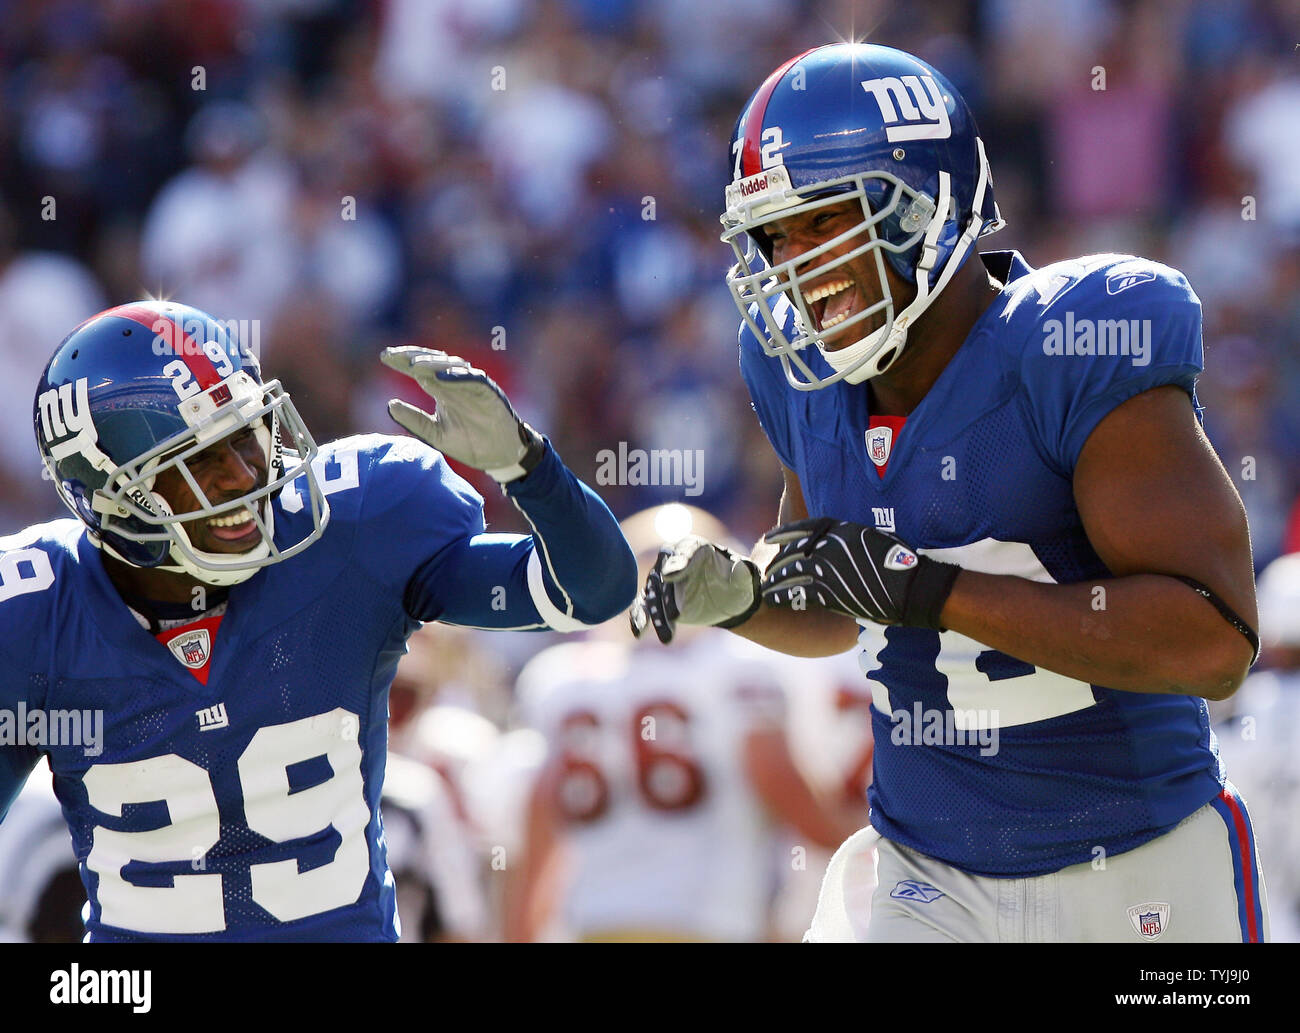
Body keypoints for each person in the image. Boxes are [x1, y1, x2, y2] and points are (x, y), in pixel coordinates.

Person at [632, 43, 1267, 943]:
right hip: (925, 876)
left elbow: (1213, 642)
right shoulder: (802, 378)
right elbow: (838, 602)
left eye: (821, 223)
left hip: (1136, 863)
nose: (795, 268)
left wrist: (933, 592)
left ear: (919, 205)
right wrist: (742, 597)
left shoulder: (1071, 345)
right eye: (775, 237)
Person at [0, 299, 636, 942]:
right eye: (199, 462)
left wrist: (527, 467)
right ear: (112, 495)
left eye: (245, 434)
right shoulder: (35, 614)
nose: (244, 475)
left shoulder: (352, 529)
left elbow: (594, 590)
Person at [507, 504, 855, 942]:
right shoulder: (741, 669)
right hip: (706, 922)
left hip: (597, 925)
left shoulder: (563, 681)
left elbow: (538, 839)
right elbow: (786, 792)